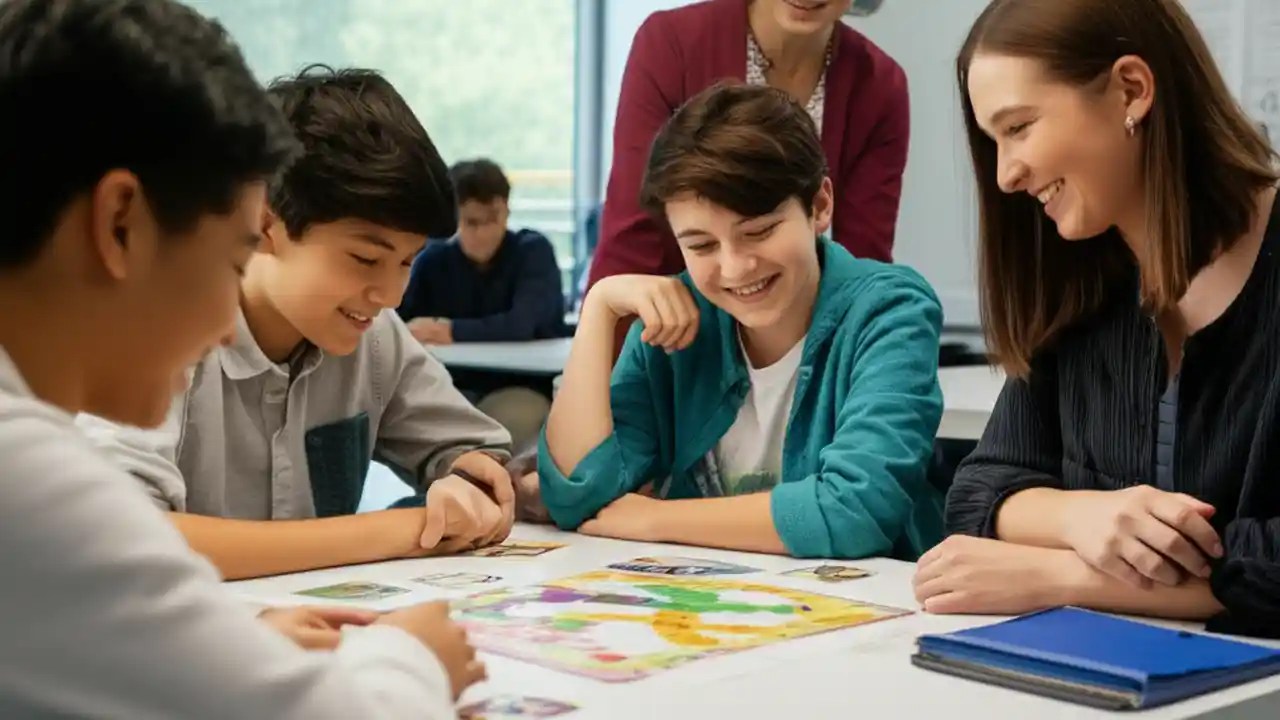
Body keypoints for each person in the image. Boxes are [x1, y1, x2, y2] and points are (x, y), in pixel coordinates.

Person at [0, 0, 483, 716]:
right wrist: (408, 658)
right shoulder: (23, 472)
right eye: (231, 262)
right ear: (119, 223)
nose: (229, 330)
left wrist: (225, 642)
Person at [912, 0, 1280, 638]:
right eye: (992, 141)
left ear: (1131, 90)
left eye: (1020, 127)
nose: (1005, 175)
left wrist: (1066, 577)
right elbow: (981, 491)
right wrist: (1079, 518)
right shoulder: (1082, 277)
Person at [78, 65, 515, 581]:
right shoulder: (156, 321)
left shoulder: (372, 331)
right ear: (264, 222)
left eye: (408, 261)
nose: (391, 295)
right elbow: (120, 538)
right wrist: (400, 531)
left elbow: (470, 450)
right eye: (364, 258)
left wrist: (467, 483)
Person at [539, 82, 944, 559]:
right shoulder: (673, 320)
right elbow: (575, 495)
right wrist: (600, 308)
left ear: (819, 206)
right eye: (701, 246)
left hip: (868, 605)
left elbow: (857, 511)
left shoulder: (889, 309)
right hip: (716, 604)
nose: (735, 268)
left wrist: (655, 518)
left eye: (759, 231)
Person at [587, 0, 909, 298]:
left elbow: (864, 261)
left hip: (791, 331)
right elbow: (635, 231)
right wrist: (614, 329)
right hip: (669, 324)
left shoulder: (880, 85)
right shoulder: (672, 43)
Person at [400, 158, 567, 452]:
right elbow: (398, 323)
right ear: (454, 220)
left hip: (522, 385)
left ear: (507, 210)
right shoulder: (432, 261)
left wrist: (449, 330)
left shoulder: (532, 251)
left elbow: (521, 324)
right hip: (452, 386)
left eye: (495, 218)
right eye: (472, 222)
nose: (485, 232)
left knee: (501, 431)